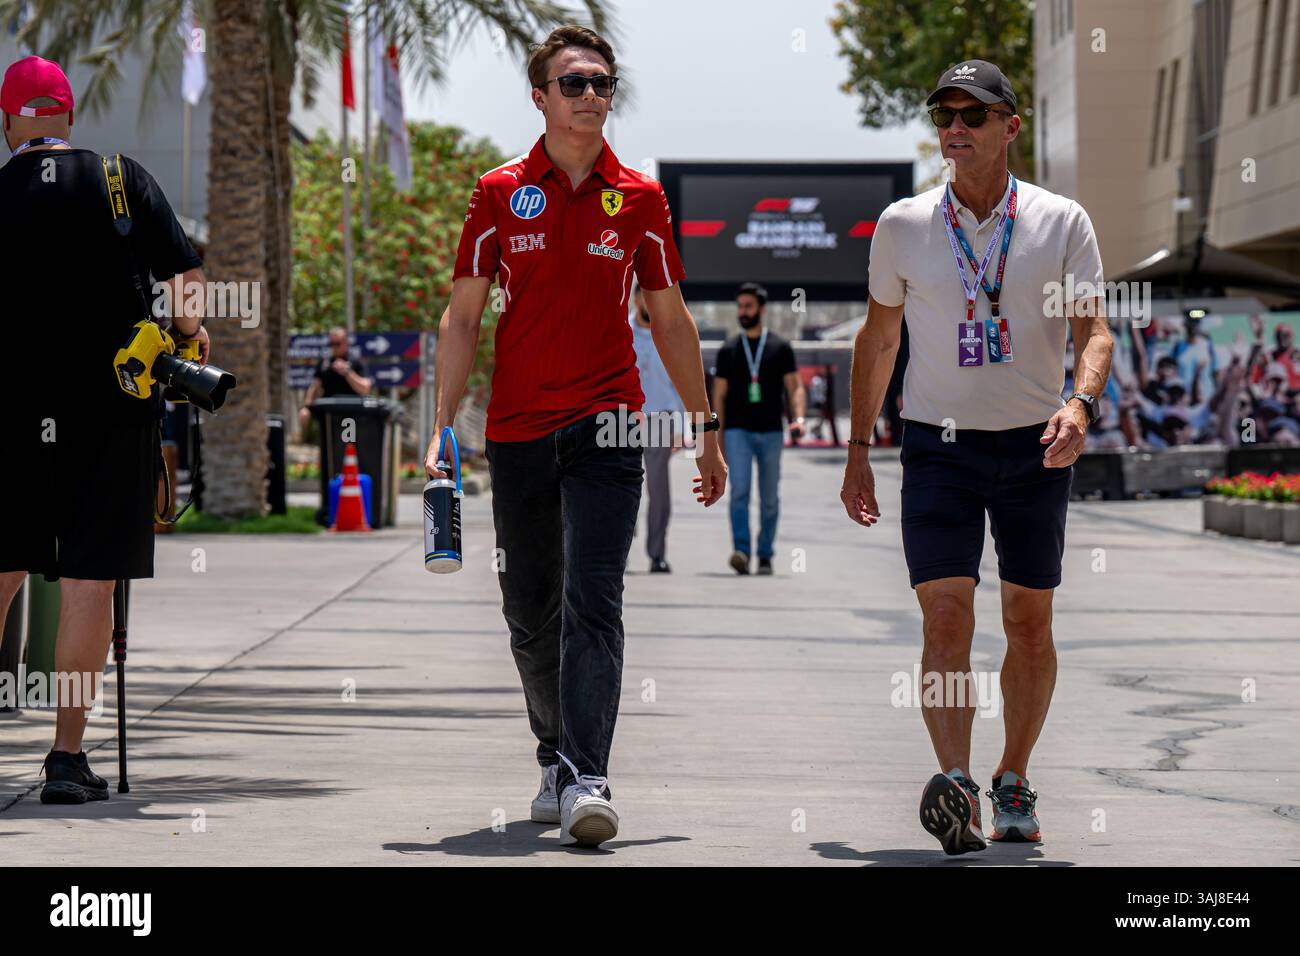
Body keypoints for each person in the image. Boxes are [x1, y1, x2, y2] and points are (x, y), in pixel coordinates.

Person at [423, 25, 726, 849]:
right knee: (529, 612)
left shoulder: (643, 199)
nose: (592, 94)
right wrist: (442, 425)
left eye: (602, 81)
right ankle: (553, 756)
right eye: (574, 83)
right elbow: (461, 316)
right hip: (517, 429)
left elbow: (670, 320)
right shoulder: (497, 192)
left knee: (596, 601)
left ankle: (590, 775)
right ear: (541, 97)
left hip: (610, 424)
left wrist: (705, 428)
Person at [839, 60, 1112, 854]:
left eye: (974, 113)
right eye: (944, 113)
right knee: (946, 614)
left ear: (1009, 127)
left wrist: (1080, 403)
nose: (955, 125)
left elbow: (1094, 330)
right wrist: (859, 448)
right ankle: (955, 782)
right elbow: (879, 336)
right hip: (937, 448)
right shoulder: (904, 225)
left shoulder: (1062, 221)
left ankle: (1013, 774)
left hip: (1036, 446)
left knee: (1029, 623)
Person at [0, 56, 208, 804]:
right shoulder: (120, 178)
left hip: (11, 411)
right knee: (90, 580)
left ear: (7, 121)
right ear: (69, 115)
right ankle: (65, 759)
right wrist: (189, 335)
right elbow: (185, 279)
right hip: (112, 411)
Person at [712, 282, 806, 575]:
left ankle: (765, 553)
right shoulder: (728, 350)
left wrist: (799, 418)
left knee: (769, 498)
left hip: (771, 432)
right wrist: (717, 439)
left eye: (748, 306)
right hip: (737, 432)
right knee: (739, 492)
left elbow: (795, 387)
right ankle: (741, 550)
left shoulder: (780, 347)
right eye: (740, 306)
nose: (743, 311)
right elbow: (719, 396)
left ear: (761, 310)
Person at [630, 282, 685, 573]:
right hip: (622, 419)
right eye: (646, 298)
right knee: (616, 487)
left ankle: (657, 554)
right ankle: (617, 552)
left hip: (660, 420)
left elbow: (680, 382)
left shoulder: (669, 334)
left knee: (658, 491)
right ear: (637, 300)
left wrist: (683, 428)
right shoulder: (620, 331)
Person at [298, 327, 373, 429]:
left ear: (346, 342)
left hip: (352, 415)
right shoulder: (324, 363)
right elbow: (315, 386)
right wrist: (306, 408)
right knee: (328, 443)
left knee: (349, 445)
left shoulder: (356, 362)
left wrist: (347, 373)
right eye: (331, 344)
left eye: (337, 344)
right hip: (329, 415)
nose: (334, 347)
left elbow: (365, 388)